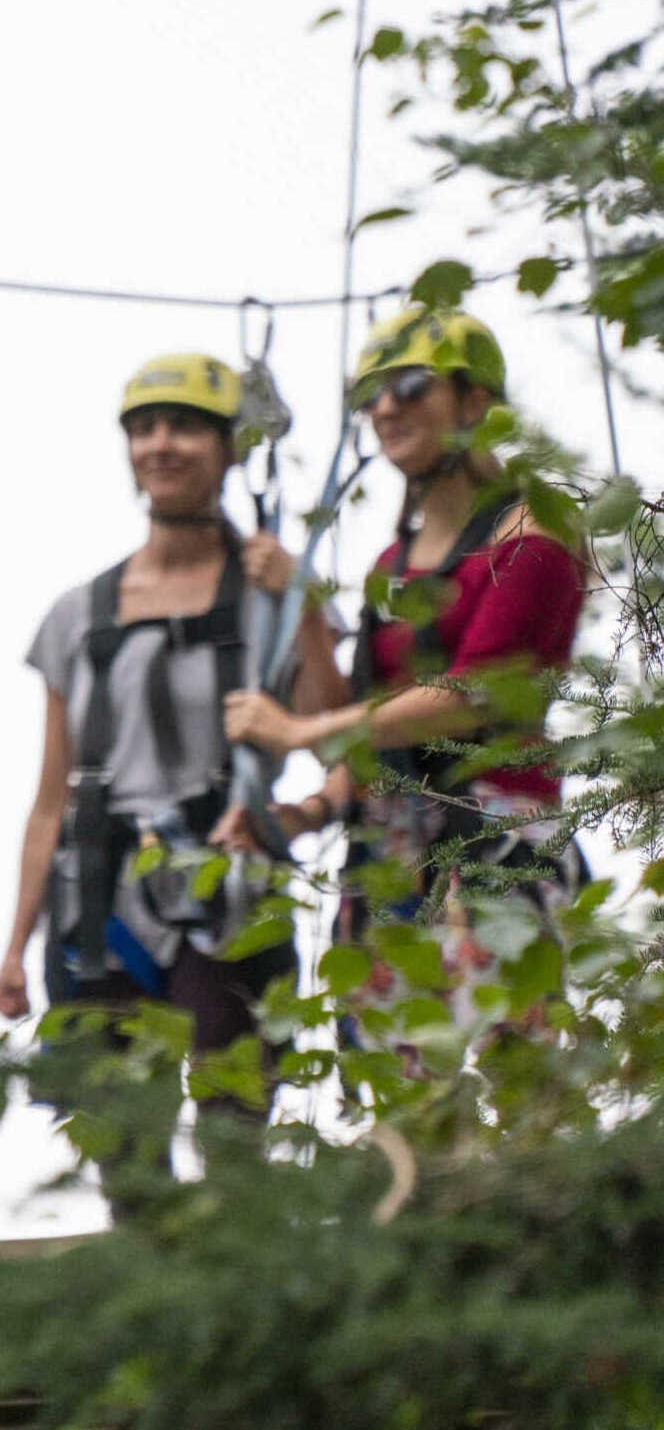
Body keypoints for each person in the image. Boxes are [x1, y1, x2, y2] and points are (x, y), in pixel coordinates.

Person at [0, 353, 349, 1210]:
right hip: (105, 889)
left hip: (230, 876)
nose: (161, 445)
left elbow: (341, 733)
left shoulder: (272, 594)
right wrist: (12, 946)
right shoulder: (82, 614)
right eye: (144, 428)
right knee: (123, 1140)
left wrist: (300, 606)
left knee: (234, 1121)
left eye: (185, 426)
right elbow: (52, 797)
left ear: (229, 450)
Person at [219, 306, 587, 1048]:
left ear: (475, 400)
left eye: (411, 385)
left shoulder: (535, 535)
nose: (386, 407)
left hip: (495, 849)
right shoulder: (392, 571)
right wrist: (308, 617)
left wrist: (298, 729)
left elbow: (470, 695)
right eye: (372, 394)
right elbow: (363, 736)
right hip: (390, 870)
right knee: (401, 1132)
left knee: (503, 1105)